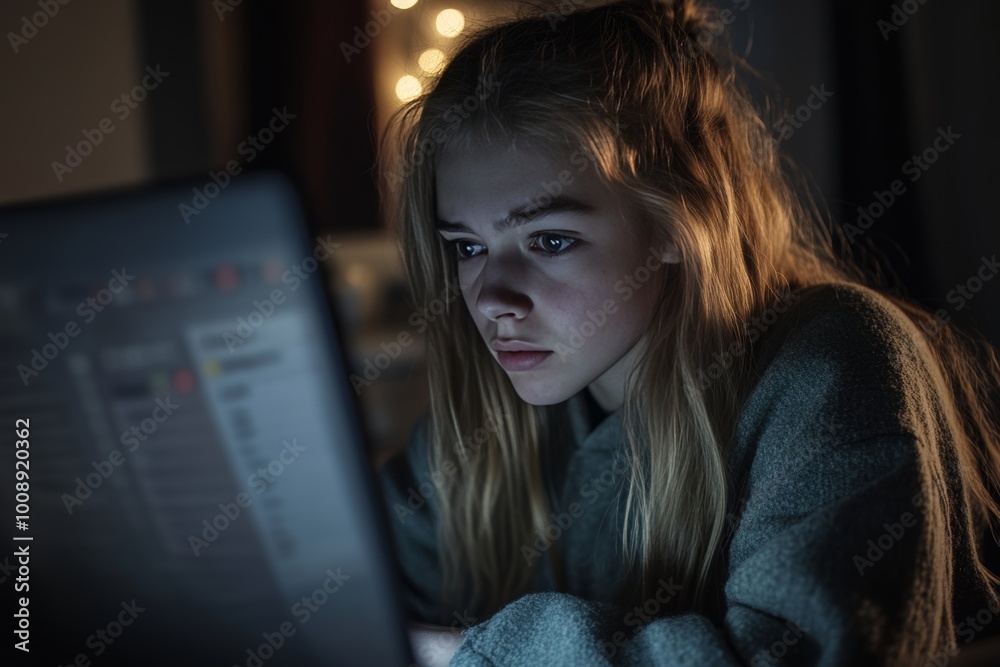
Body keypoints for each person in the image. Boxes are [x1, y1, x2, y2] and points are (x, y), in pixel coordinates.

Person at [377, 0, 1000, 664]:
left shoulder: (835, 366)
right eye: (468, 247)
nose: (491, 299)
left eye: (550, 239)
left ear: (681, 220)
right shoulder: (487, 415)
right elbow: (351, 580)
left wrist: (478, 649)